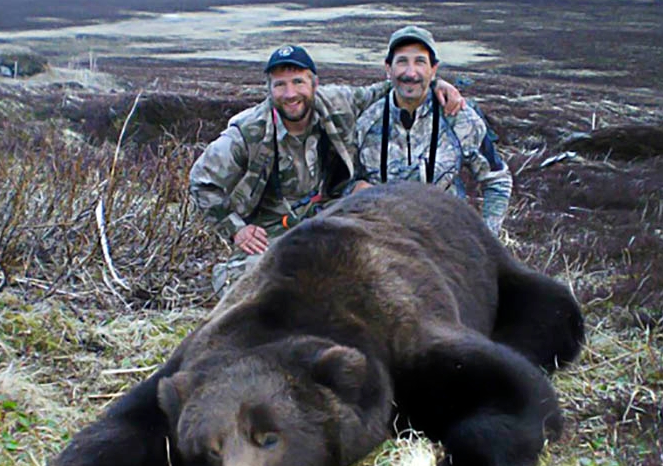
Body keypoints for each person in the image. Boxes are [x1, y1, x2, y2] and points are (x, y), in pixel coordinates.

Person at [189, 43, 464, 294]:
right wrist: (236, 228)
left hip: (331, 213)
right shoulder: (247, 132)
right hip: (273, 226)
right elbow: (201, 180)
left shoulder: (337, 103)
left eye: (298, 82)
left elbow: (386, 88)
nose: (290, 93)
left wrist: (436, 82)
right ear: (269, 89)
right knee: (251, 287)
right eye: (280, 85)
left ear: (315, 83)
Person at [355, 25, 512, 234]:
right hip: (381, 246)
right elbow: (341, 185)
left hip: (444, 249)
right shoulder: (365, 122)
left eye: (420, 62)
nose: (411, 73)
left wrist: (487, 240)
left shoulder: (460, 119)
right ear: (388, 68)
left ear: (433, 69)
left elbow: (497, 179)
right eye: (402, 61)